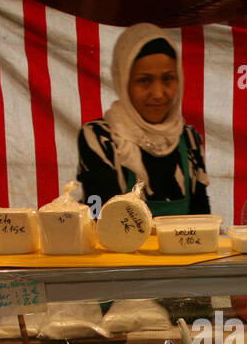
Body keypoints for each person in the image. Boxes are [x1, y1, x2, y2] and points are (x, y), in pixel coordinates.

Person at [77, 23, 210, 216]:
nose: (157, 93)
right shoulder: (99, 137)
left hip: (183, 246)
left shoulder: (190, 140)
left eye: (168, 79)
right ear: (124, 81)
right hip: (117, 247)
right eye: (144, 80)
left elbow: (202, 217)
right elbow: (100, 218)